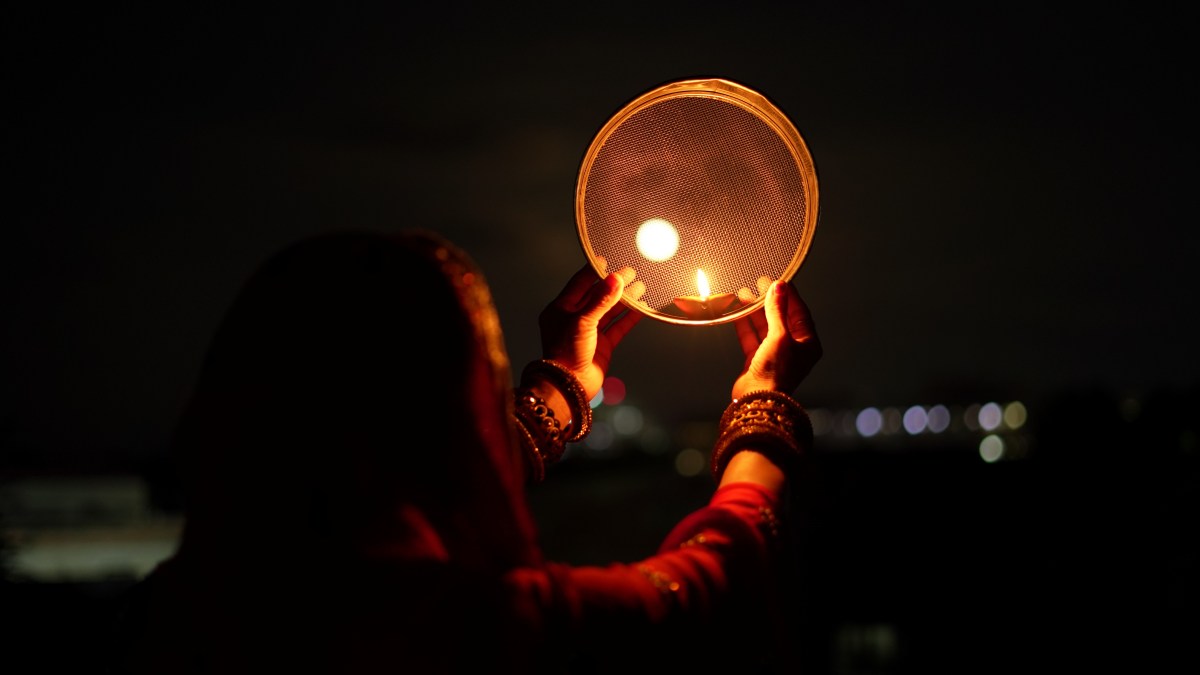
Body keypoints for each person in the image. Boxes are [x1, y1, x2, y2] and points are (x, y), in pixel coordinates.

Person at [108, 228, 823, 674]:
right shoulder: (479, 635)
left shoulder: (158, 624)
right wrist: (763, 406)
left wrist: (561, 387)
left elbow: (419, 475)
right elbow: (712, 594)